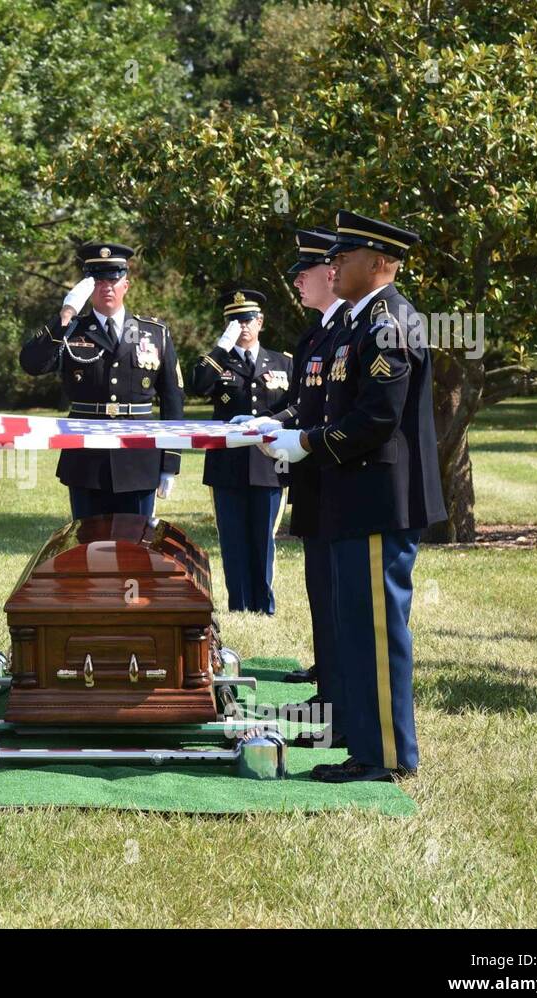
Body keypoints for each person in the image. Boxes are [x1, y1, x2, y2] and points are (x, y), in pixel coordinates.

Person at [260, 209, 446, 782]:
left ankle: (386, 755)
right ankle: (365, 744)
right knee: (355, 632)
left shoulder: (391, 321)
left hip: (377, 499)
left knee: (375, 632)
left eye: (346, 255)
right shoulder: (362, 320)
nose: (334, 262)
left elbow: (376, 418)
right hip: (355, 497)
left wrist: (307, 442)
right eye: (335, 255)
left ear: (380, 263)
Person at [235, 229, 352, 730]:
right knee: (323, 599)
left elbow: (356, 415)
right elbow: (307, 405)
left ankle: (343, 702)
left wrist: (300, 439)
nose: (297, 283)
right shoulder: (318, 335)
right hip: (319, 486)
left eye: (304, 273)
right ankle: (329, 693)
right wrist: (273, 422)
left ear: (332, 272)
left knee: (341, 604)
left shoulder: (353, 329)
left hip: (339, 482)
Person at [19, 242, 185, 520]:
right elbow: (32, 364)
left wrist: (170, 461)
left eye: (113, 278)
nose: (106, 286)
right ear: (86, 287)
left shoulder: (154, 333)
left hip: (139, 459)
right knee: (88, 552)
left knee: (136, 551)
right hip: (86, 460)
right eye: (97, 280)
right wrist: (65, 314)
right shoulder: (72, 330)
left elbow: (173, 398)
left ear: (126, 285)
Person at [188, 289, 293, 614]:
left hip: (268, 462)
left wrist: (270, 420)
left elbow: (298, 405)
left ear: (260, 322)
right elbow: (197, 385)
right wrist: (221, 345)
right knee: (232, 539)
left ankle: (264, 603)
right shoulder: (219, 362)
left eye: (247, 319)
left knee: (263, 539)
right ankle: (239, 604)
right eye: (234, 320)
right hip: (227, 464)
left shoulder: (283, 362)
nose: (242, 326)